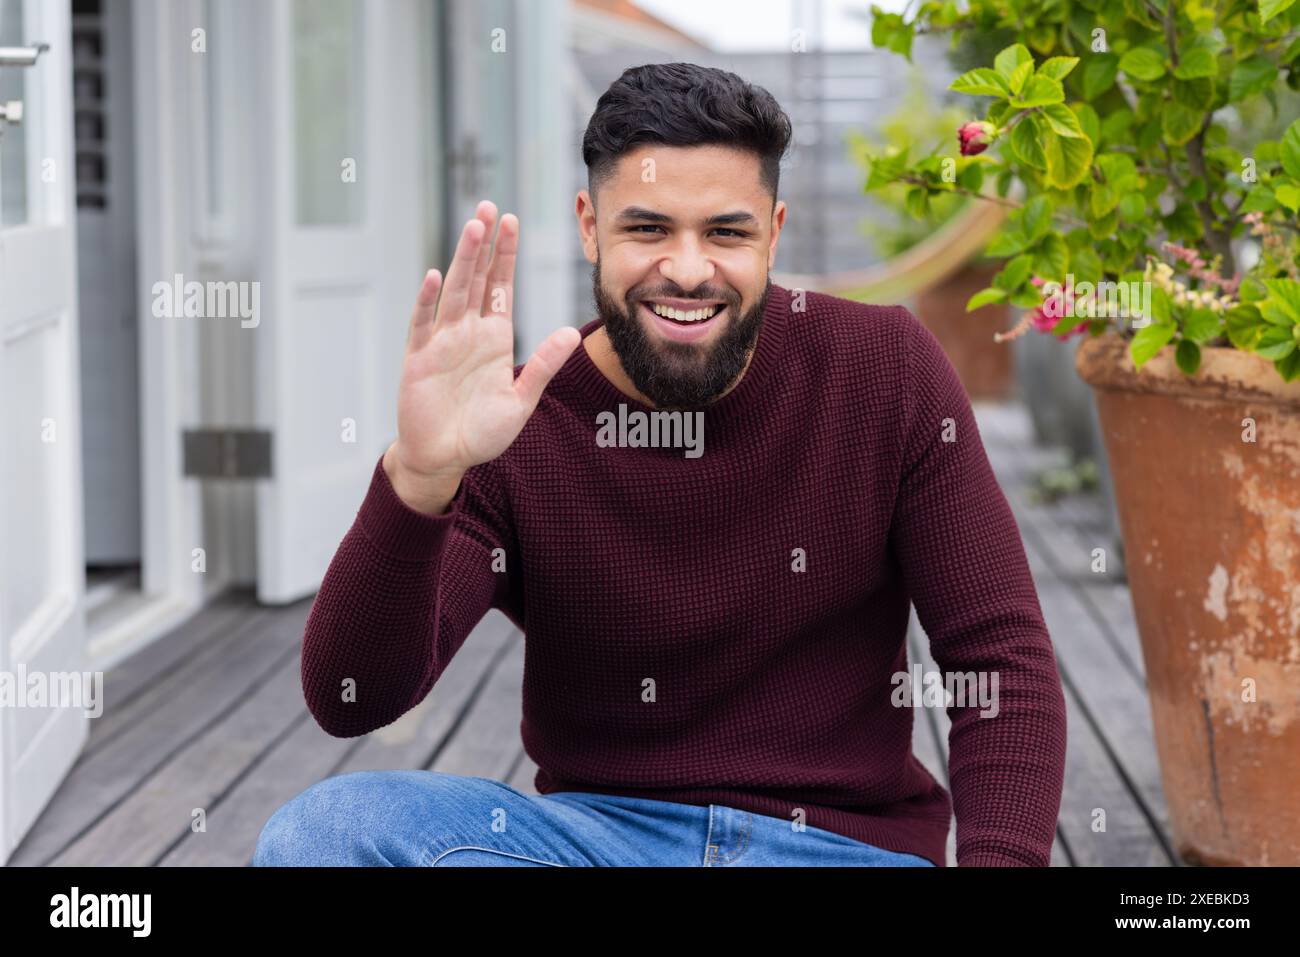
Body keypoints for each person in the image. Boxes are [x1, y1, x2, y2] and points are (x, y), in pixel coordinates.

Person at [253, 62, 1066, 868]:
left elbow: (999, 659)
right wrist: (421, 477)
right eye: (647, 229)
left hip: (837, 846)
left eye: (726, 231)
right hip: (599, 841)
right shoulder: (514, 422)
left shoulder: (885, 366)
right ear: (588, 227)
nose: (686, 269)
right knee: (322, 834)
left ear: (774, 233)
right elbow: (351, 697)